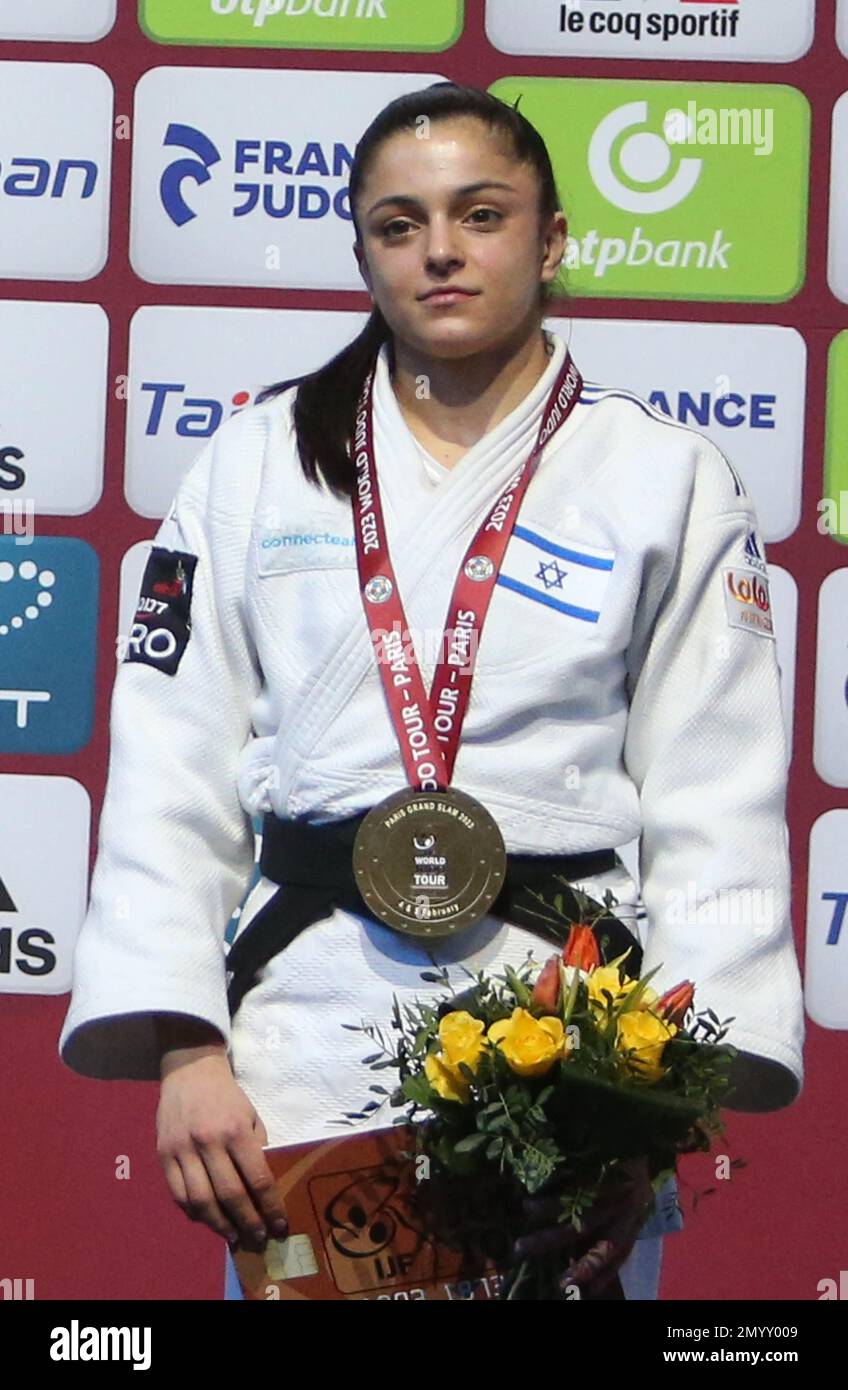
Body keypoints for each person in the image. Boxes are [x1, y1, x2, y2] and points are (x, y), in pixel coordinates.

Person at [58, 82, 804, 1302]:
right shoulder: (256, 462)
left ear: (552, 238)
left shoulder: (663, 477)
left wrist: (653, 1101)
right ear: (359, 250)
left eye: (480, 213)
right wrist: (188, 1048)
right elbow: (167, 770)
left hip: (571, 1044)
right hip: (302, 1035)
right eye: (398, 225)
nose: (440, 250)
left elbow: (713, 802)